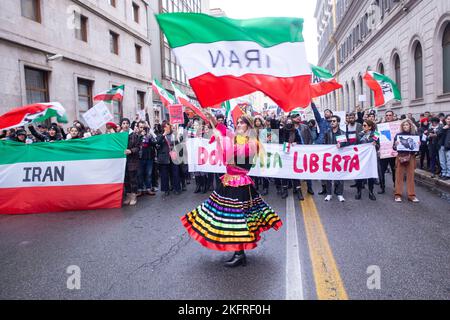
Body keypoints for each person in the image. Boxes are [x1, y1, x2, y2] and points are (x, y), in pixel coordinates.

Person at [181, 112, 283, 268]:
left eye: (242, 123)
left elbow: (236, 160)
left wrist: (224, 140)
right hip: (228, 181)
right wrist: (211, 119)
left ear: (248, 126)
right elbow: (222, 130)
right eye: (238, 123)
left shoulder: (252, 142)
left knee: (238, 220)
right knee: (226, 217)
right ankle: (239, 253)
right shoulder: (237, 139)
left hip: (240, 183)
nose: (238, 125)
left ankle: (239, 254)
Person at [393, 119, 420, 203]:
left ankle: (411, 195)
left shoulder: (414, 135)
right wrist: (395, 144)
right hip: (400, 156)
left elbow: (417, 150)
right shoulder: (398, 135)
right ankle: (398, 195)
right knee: (399, 176)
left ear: (410, 126)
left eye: (407, 125)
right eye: (404, 125)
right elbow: (394, 148)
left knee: (410, 176)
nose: (405, 126)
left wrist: (418, 145)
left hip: (411, 157)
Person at [323, 115, 349, 202]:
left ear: (338, 122)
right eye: (331, 121)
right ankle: (329, 193)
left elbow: (346, 143)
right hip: (329, 158)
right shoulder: (327, 132)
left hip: (339, 158)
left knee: (340, 175)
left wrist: (341, 144)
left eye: (334, 121)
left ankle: (339, 194)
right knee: (329, 176)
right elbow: (324, 144)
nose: (332, 123)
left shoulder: (342, 133)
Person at [355, 120, 379, 201]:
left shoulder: (375, 134)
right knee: (359, 175)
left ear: (370, 127)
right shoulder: (359, 134)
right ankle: (359, 191)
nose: (363, 127)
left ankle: (371, 192)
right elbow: (356, 144)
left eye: (365, 125)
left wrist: (375, 145)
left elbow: (378, 145)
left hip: (371, 158)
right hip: (361, 158)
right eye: (363, 125)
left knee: (370, 176)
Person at [156, 122, 182, 197]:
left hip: (173, 154)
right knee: (164, 174)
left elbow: (179, 143)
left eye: (168, 127)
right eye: (165, 127)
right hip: (164, 156)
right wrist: (164, 134)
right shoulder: (160, 135)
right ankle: (166, 190)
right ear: (163, 128)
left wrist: (178, 137)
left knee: (175, 172)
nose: (167, 128)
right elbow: (157, 142)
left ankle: (176, 188)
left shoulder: (174, 134)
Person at [122, 118, 142, 206]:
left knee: (132, 179)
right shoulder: (119, 135)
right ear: (121, 125)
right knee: (126, 179)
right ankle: (128, 196)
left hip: (132, 160)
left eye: (127, 123)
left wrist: (131, 151)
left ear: (129, 125)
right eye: (123, 123)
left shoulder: (134, 135)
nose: (125, 125)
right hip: (123, 161)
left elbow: (138, 147)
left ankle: (134, 196)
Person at [378, 110, 397, 194]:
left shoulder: (397, 126)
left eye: (390, 115)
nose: (388, 116)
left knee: (394, 171)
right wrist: (375, 143)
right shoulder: (380, 126)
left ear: (393, 116)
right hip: (384, 152)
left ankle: (396, 187)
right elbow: (376, 137)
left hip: (394, 153)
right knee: (381, 171)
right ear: (385, 117)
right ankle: (382, 188)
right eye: (387, 115)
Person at [137, 121, 157, 197]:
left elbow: (155, 142)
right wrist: (140, 136)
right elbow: (135, 144)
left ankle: (148, 188)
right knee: (140, 174)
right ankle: (140, 190)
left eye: (144, 127)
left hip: (149, 157)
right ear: (138, 128)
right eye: (141, 127)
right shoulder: (136, 135)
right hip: (140, 158)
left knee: (148, 174)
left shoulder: (149, 135)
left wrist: (149, 136)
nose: (142, 129)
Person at [437, 114, 450, 180]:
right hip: (441, 146)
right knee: (442, 161)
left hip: (448, 147)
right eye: (448, 119)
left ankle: (448, 174)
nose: (449, 120)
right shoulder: (442, 126)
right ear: (445, 120)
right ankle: (443, 173)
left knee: (448, 161)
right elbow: (438, 134)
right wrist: (443, 129)